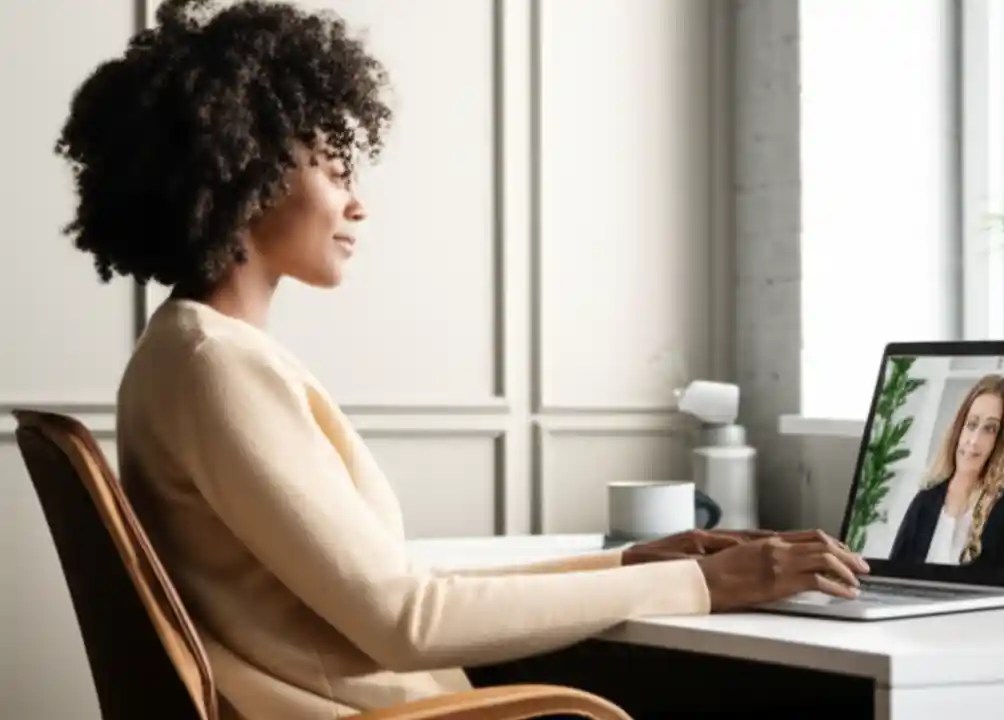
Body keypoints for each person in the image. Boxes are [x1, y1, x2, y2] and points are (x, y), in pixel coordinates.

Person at [53, 1, 869, 718]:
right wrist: (705, 586)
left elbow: (392, 595)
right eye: (336, 169)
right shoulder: (216, 366)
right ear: (246, 171)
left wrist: (623, 562)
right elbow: (408, 624)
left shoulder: (187, 354)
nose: (358, 202)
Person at [887, 374, 1004, 570]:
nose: (974, 441)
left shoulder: (1001, 504)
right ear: (959, 429)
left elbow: (995, 587)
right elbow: (892, 574)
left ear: (998, 441)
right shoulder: (924, 501)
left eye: (989, 429)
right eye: (971, 424)